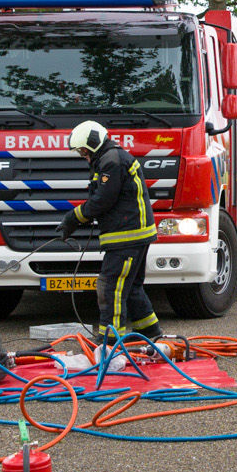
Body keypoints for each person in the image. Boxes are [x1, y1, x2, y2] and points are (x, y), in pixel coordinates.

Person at [59, 120, 159, 342]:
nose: (82, 155)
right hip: (133, 234)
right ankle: (150, 332)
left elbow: (103, 200)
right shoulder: (109, 158)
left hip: (127, 237)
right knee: (131, 287)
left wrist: (72, 219)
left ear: (93, 143)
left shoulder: (111, 161)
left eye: (83, 151)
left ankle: (109, 341)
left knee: (110, 286)